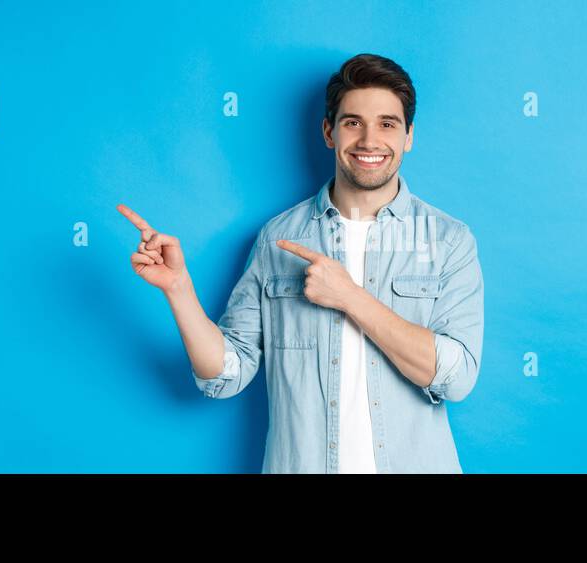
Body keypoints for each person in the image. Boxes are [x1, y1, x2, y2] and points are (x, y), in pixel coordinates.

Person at [117, 53, 483, 473]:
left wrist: (349, 297)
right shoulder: (278, 239)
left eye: (387, 123)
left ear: (408, 136)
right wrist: (179, 289)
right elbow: (225, 375)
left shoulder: (449, 241)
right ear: (329, 132)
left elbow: (456, 379)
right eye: (352, 122)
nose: (369, 141)